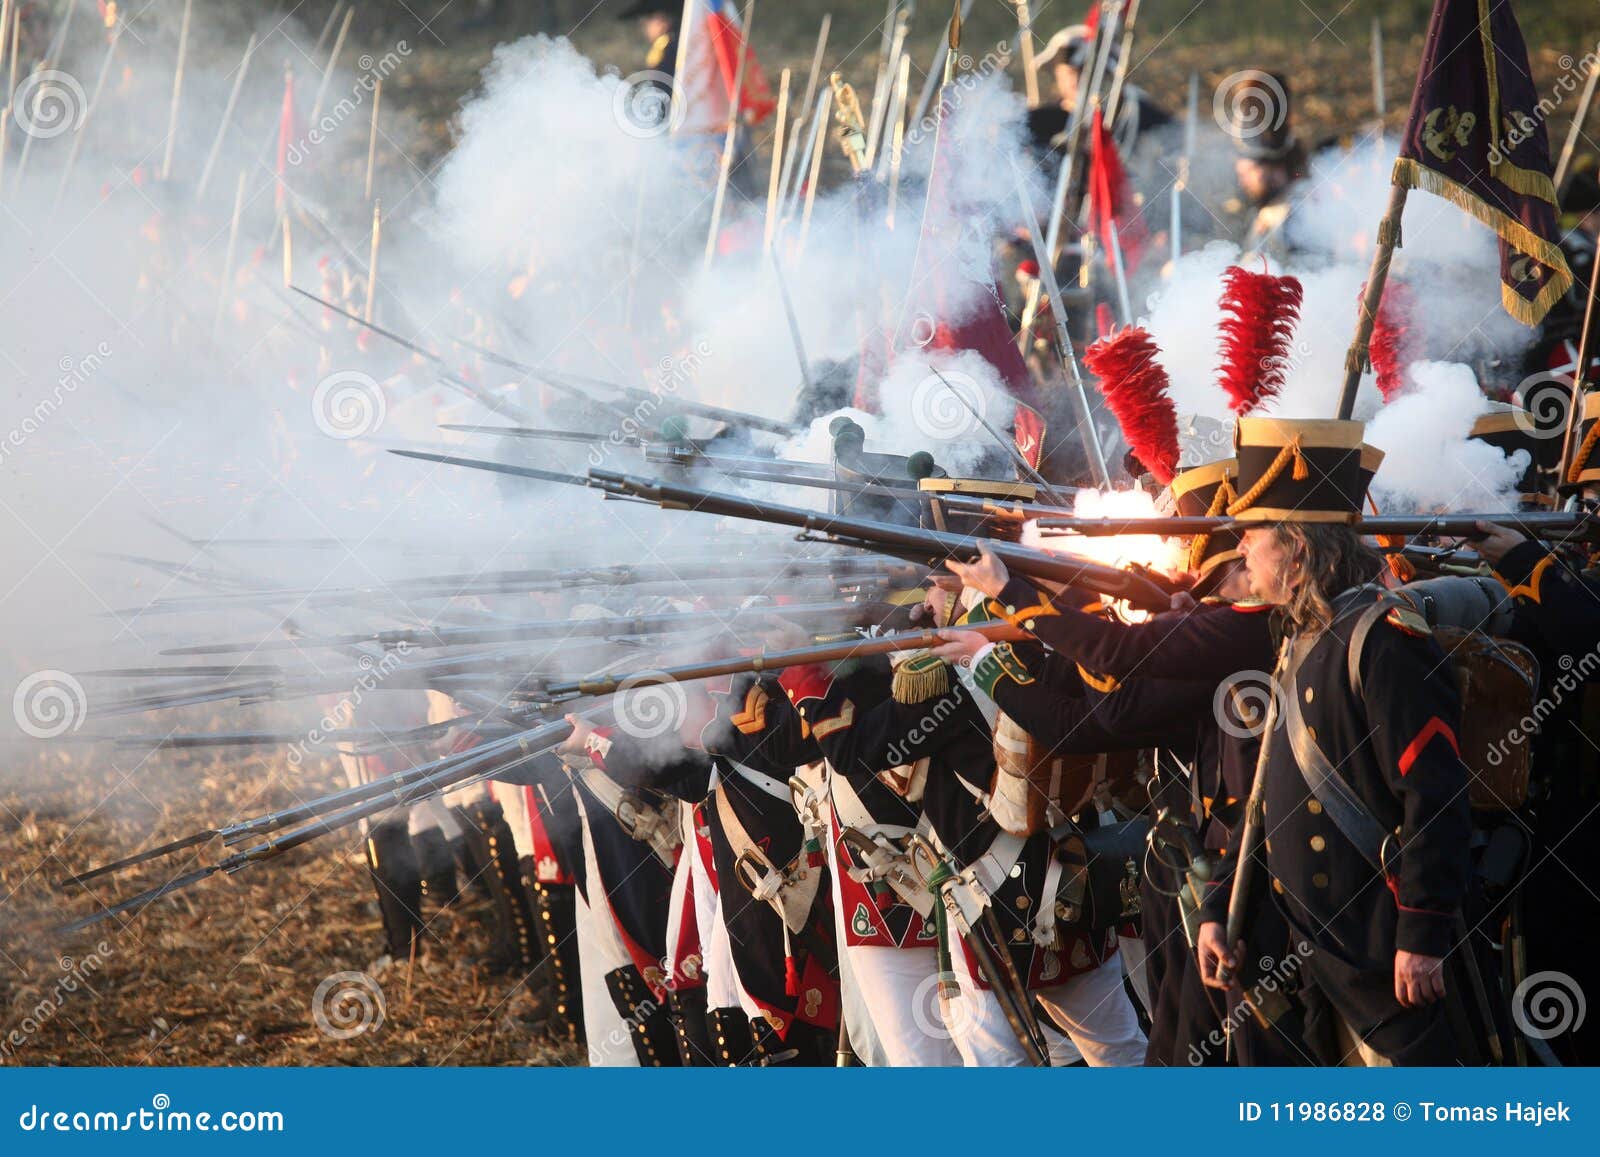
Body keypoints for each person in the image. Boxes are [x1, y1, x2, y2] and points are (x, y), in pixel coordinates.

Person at [1193, 417, 1480, 1066]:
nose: (1242, 552)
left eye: (1254, 535)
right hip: (1320, 955)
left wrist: (1424, 931)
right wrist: (1218, 908)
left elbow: (1433, 795)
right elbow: (1267, 798)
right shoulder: (1299, 638)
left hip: (1385, 952)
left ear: (1295, 545)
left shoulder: (1383, 640)